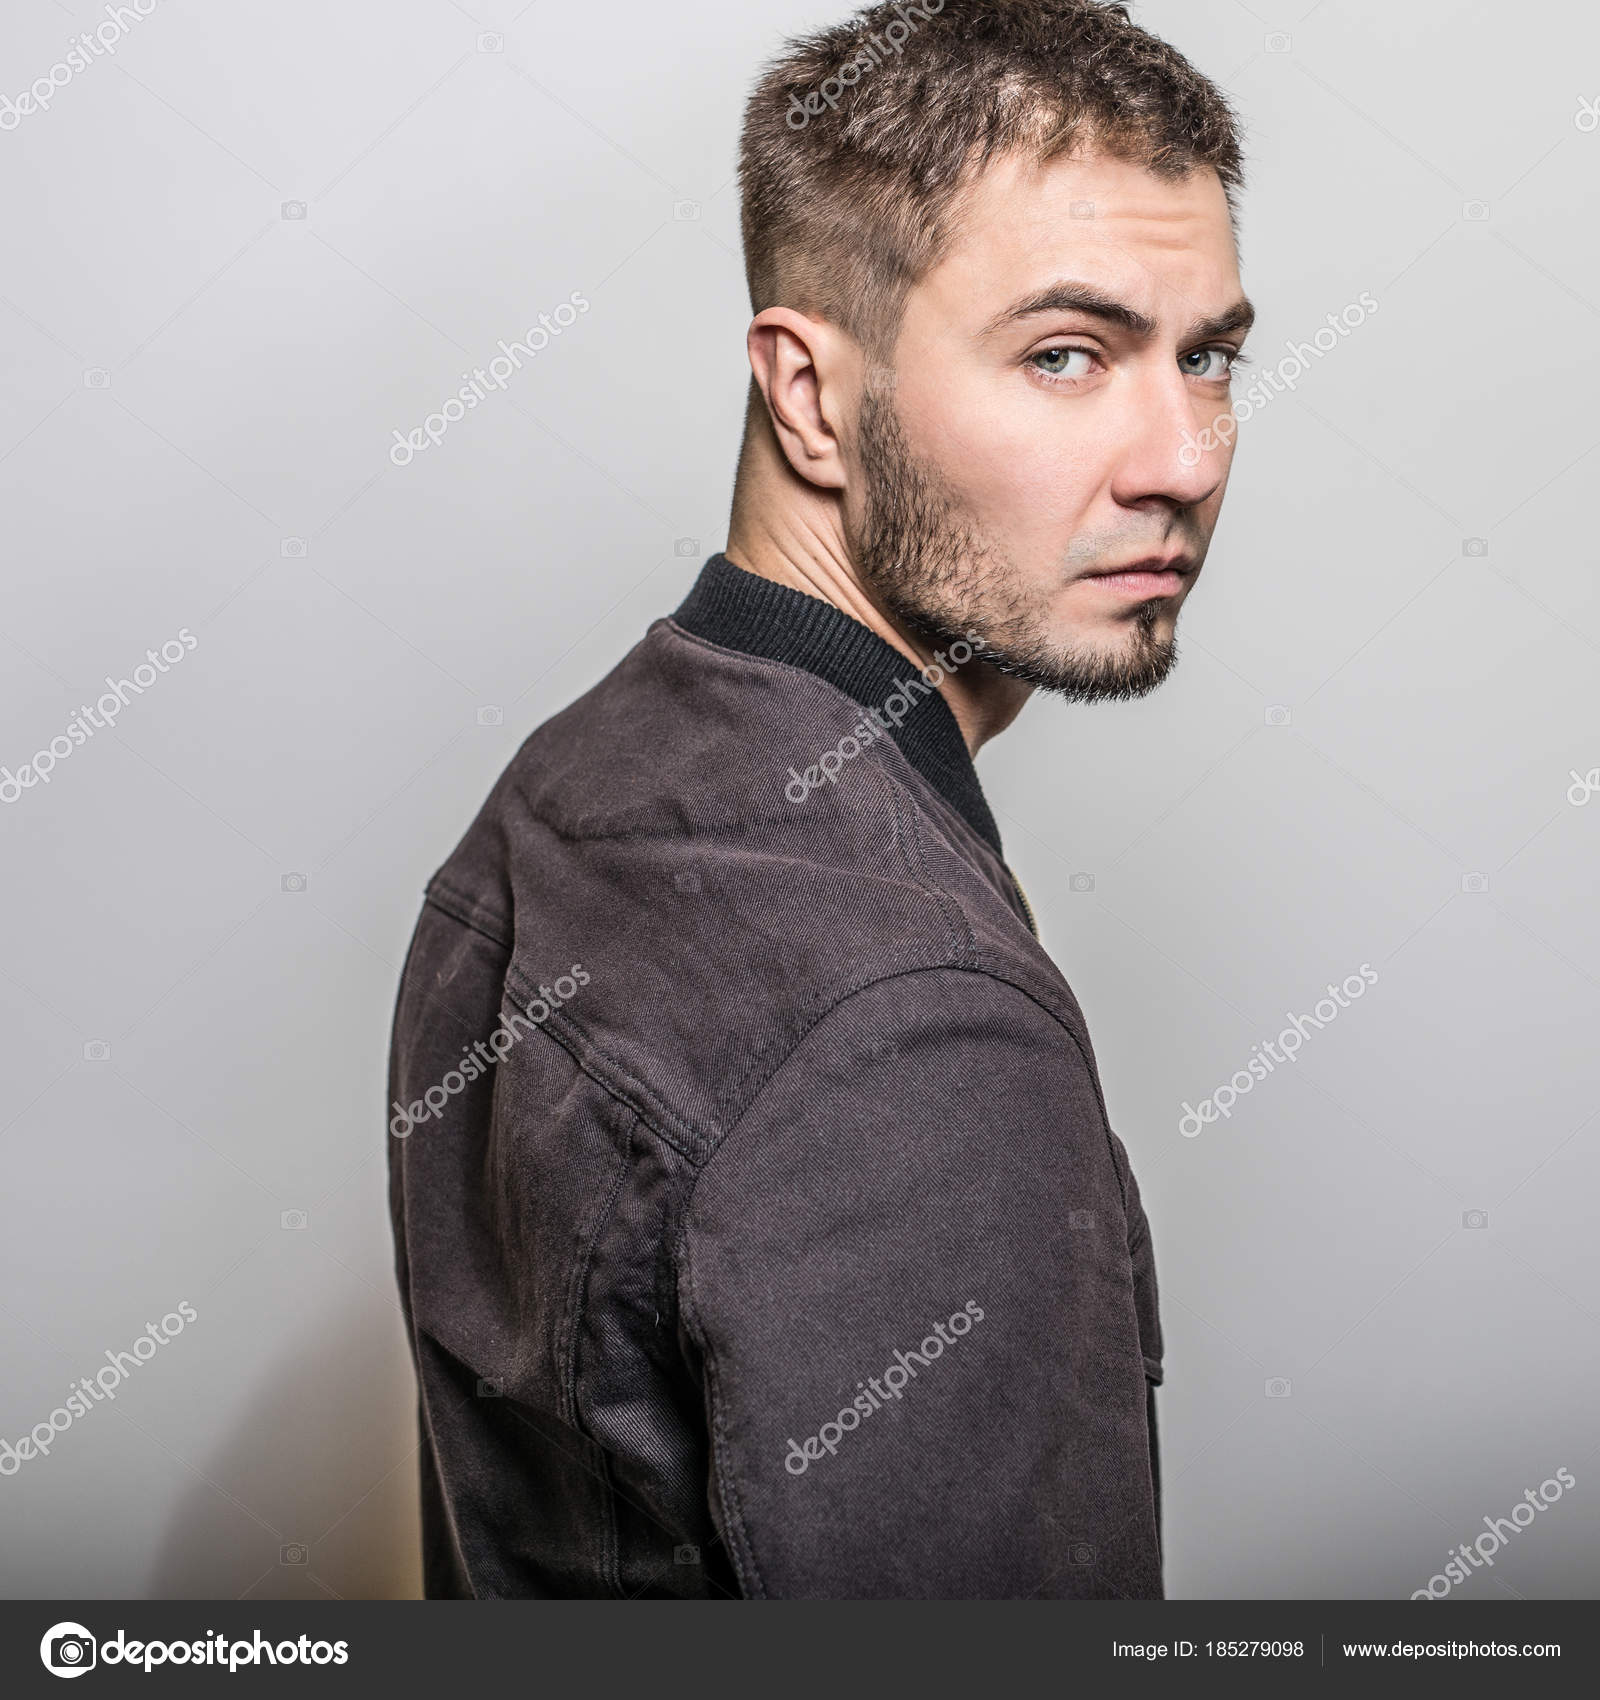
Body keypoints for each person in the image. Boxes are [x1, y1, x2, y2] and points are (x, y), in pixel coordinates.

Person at [388, 0, 1251, 1599]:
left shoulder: (578, 778)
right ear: (806, 395)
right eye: (1067, 355)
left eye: (1204, 356)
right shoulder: (914, 1029)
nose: (1183, 459)